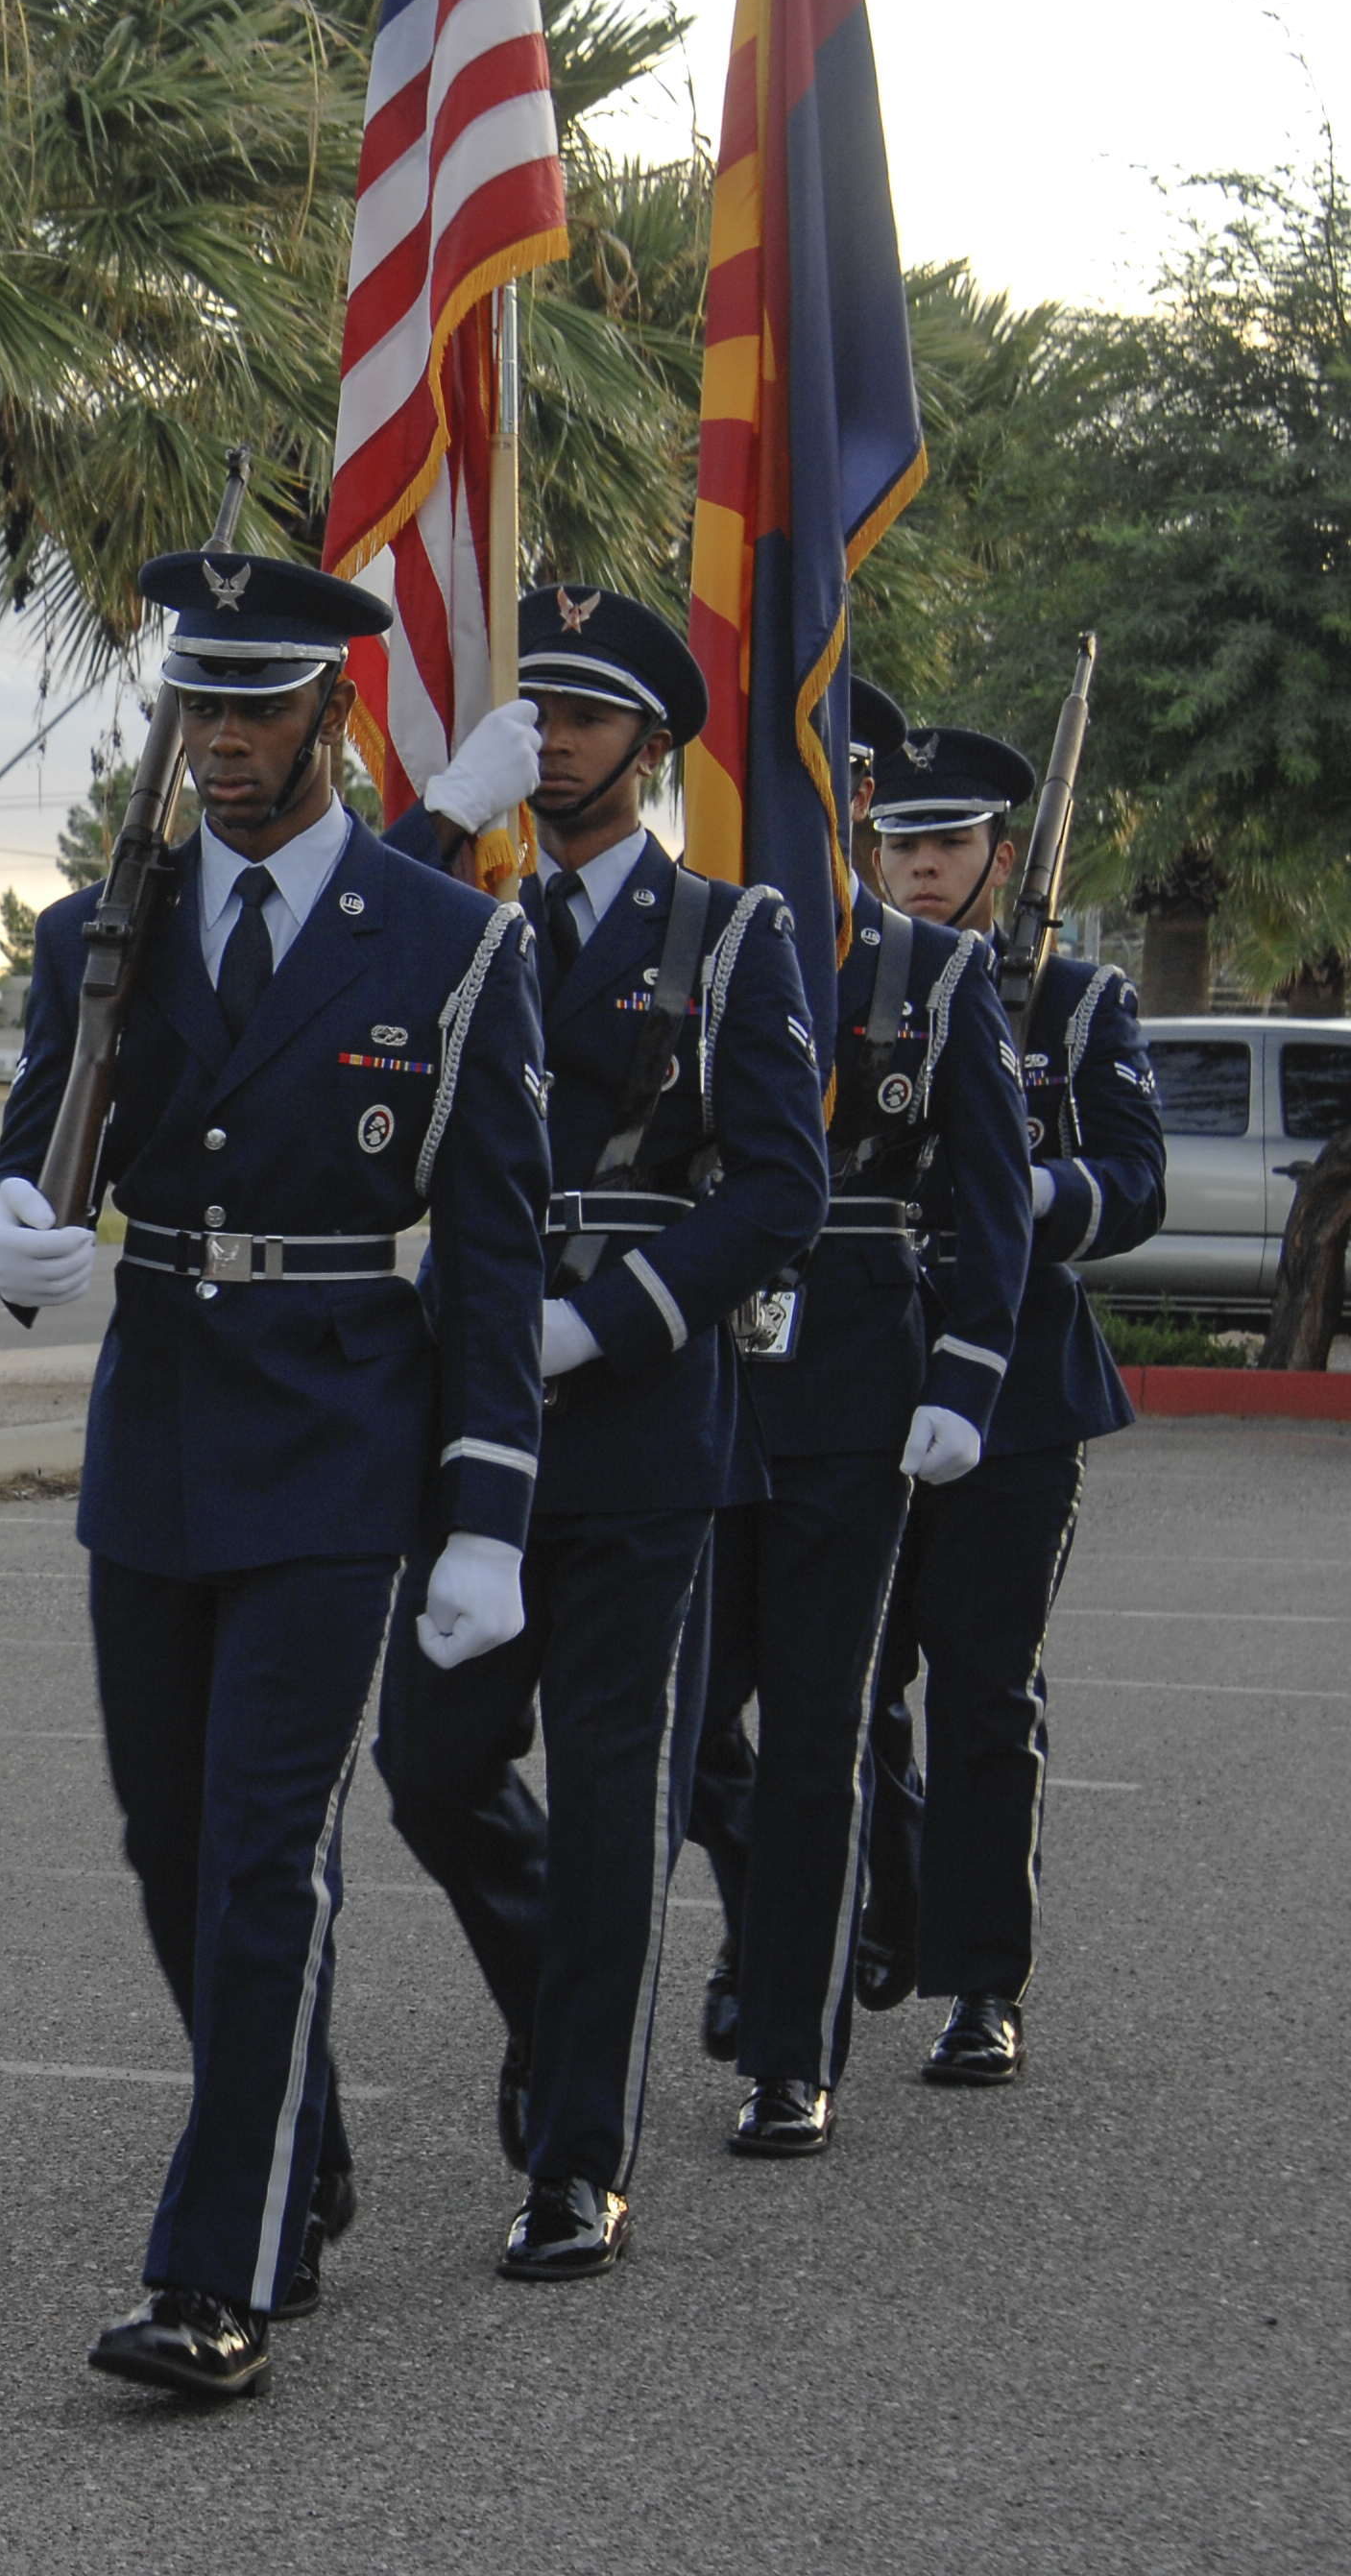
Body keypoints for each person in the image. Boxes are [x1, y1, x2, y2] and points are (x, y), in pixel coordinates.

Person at [0, 550, 548, 2398]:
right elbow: (33, 1156)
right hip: (151, 1420)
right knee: (165, 1844)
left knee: (259, 1852)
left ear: (331, 714)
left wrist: (484, 1504)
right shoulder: (96, 928)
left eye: (253, 706)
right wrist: (9, 1236)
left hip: (334, 1434)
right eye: (194, 704)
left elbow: (491, 1246)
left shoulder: (446, 944)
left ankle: (209, 2273)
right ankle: (291, 2141)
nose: (217, 739)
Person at [370, 586, 827, 2280]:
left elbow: (782, 1184)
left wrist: (599, 1317)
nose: (546, 737)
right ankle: (559, 1998)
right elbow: (355, 982)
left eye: (578, 714)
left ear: (650, 745)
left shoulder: (725, 935)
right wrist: (433, 813)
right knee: (424, 1764)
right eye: (532, 711)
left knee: (616, 1788)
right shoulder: (458, 913)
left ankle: (579, 2157)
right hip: (469, 1414)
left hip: (638, 1425)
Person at [686, 677, 1031, 2159]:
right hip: (692, 1384)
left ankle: (789, 2050)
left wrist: (963, 1377)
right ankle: (794, 1911)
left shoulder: (932, 975)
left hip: (851, 1388)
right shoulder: (687, 945)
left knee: (825, 1725)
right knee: (686, 1734)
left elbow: (998, 1197)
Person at [860, 720, 1161, 2085]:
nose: (921, 869)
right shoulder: (856, 983)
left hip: (1023, 1391)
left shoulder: (1079, 1001)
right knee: (851, 1689)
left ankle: (983, 1982)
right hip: (862, 1375)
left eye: (947, 845)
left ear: (1000, 855)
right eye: (900, 845)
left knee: (984, 1689)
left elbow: (1138, 1183)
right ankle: (891, 1904)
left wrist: (1026, 1189)